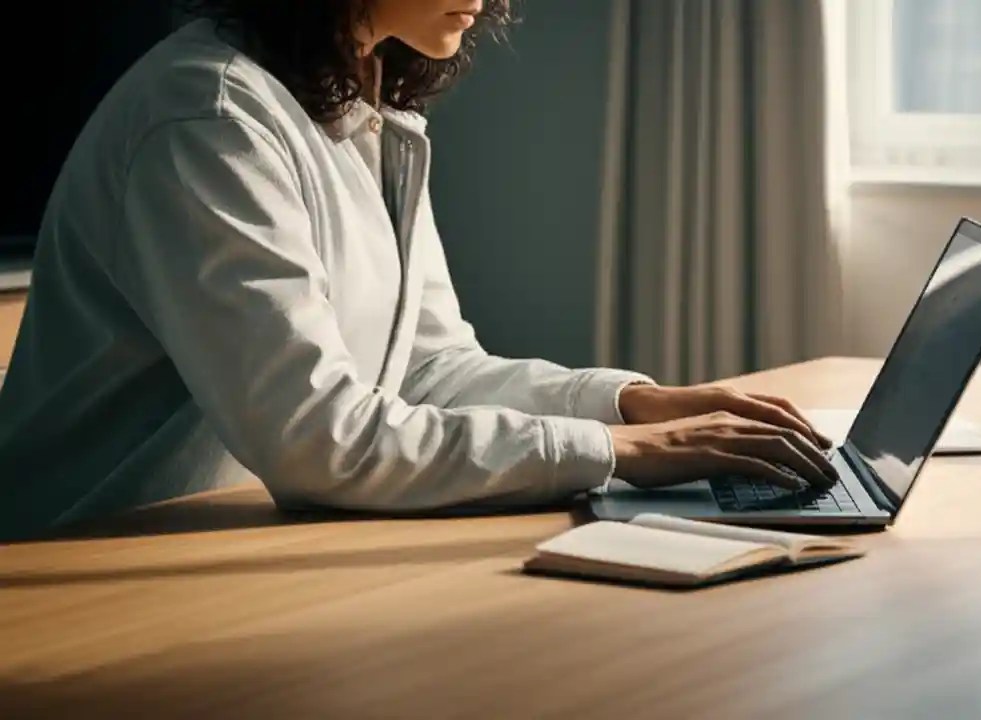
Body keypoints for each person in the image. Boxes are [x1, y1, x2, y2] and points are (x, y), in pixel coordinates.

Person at [0, 0, 838, 540]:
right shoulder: (208, 120)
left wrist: (635, 403)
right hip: (70, 577)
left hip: (234, 550)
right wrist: (624, 451)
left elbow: (430, 369)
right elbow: (318, 443)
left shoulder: (366, 105)